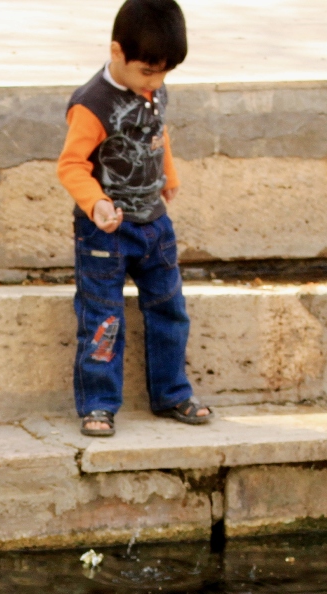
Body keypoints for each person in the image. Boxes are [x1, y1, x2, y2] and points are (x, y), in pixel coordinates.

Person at [57, 0, 211, 438]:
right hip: (106, 231)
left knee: (170, 310)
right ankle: (99, 404)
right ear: (118, 52)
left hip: (155, 223)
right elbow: (71, 166)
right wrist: (96, 204)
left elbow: (158, 133)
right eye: (148, 71)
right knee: (104, 318)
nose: (156, 82)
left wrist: (169, 173)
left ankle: (172, 392)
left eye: (164, 74)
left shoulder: (154, 88)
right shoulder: (91, 104)